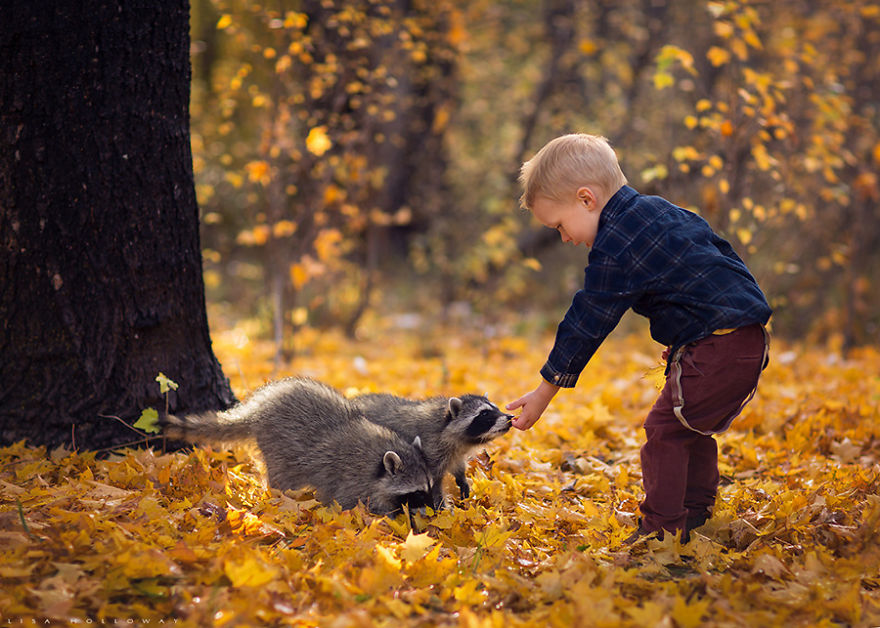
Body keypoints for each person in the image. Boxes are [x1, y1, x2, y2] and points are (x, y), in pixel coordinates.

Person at [506, 133, 771, 543]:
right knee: (690, 425)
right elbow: (719, 258)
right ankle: (694, 511)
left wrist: (545, 390)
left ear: (586, 199)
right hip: (743, 337)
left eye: (559, 225)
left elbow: (588, 319)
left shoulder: (616, 244)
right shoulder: (660, 211)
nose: (565, 238)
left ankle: (661, 530)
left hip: (719, 344)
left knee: (664, 430)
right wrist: (691, 333)